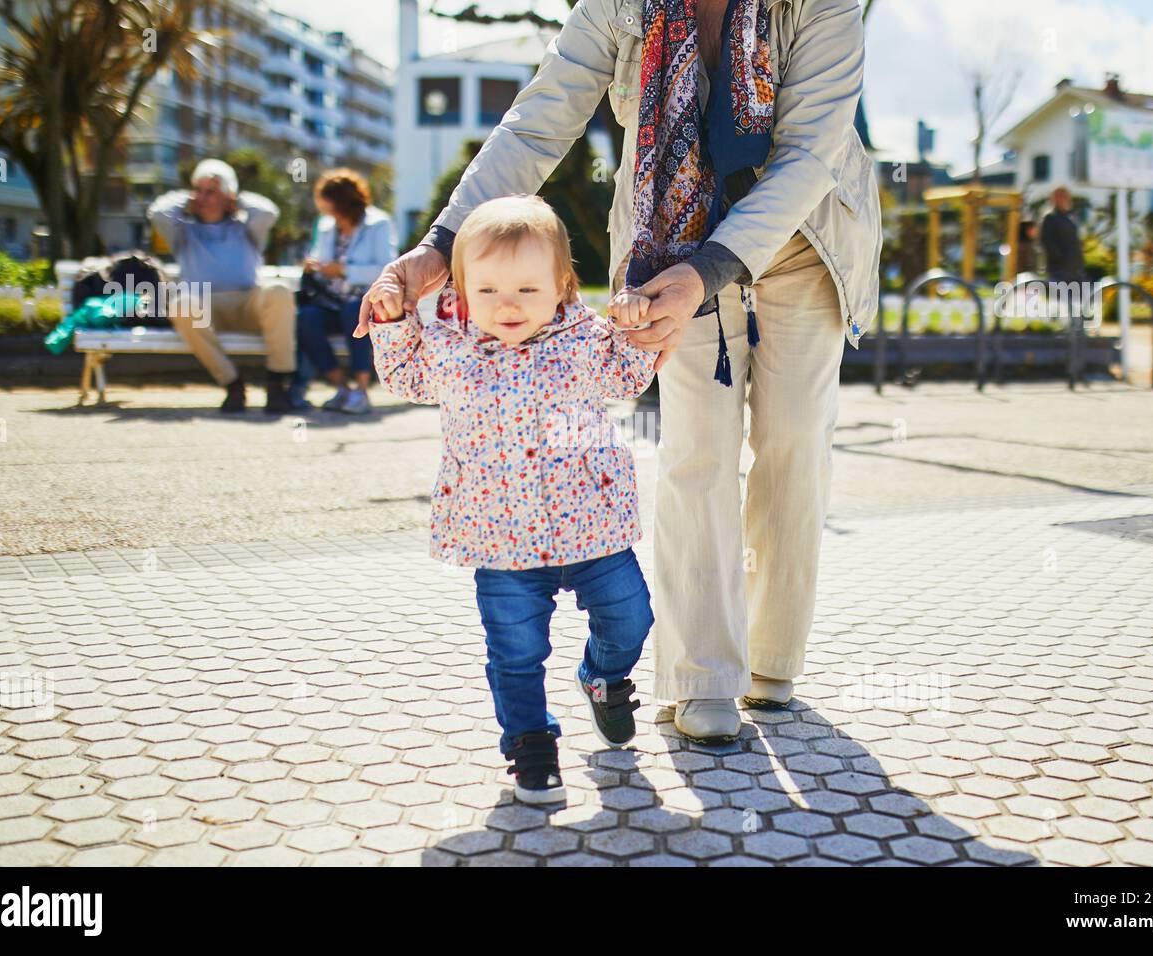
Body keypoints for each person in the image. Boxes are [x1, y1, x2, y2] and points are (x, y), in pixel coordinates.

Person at [357, 0, 881, 744]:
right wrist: (441, 246)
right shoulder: (613, 6)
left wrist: (716, 269)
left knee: (794, 443)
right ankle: (703, 673)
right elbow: (537, 123)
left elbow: (810, 153)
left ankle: (769, 658)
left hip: (807, 237)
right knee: (698, 447)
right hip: (674, 241)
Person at [357, 195, 657, 804]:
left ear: (562, 285)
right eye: (488, 291)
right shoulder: (448, 348)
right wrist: (393, 322)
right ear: (463, 291)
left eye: (526, 288)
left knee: (632, 619)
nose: (508, 305)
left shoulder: (586, 340)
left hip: (592, 526)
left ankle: (602, 676)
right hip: (500, 538)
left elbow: (630, 375)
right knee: (516, 653)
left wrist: (634, 323)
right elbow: (405, 378)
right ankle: (529, 743)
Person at [148, 159, 297, 414]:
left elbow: (269, 212)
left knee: (279, 291)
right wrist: (187, 199)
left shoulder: (247, 228)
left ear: (228, 195)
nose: (204, 198)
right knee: (181, 305)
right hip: (205, 308)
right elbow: (157, 212)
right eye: (199, 190)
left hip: (247, 304)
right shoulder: (182, 230)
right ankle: (232, 384)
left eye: (212, 191)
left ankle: (276, 385)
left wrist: (236, 199)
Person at [293, 169, 397, 414]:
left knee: (354, 313)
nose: (329, 215)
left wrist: (343, 270)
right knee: (306, 319)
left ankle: (361, 391)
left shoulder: (378, 223)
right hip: (330, 302)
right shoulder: (328, 226)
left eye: (332, 209)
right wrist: (315, 265)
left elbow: (385, 268)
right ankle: (341, 388)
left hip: (363, 303)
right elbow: (322, 259)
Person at [1040, 186, 1086, 282]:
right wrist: (1061, 259)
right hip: (1059, 271)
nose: (1063, 199)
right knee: (1061, 296)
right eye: (1060, 197)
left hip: (1076, 270)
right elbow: (1047, 241)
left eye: (1065, 196)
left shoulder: (1071, 218)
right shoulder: (1050, 218)